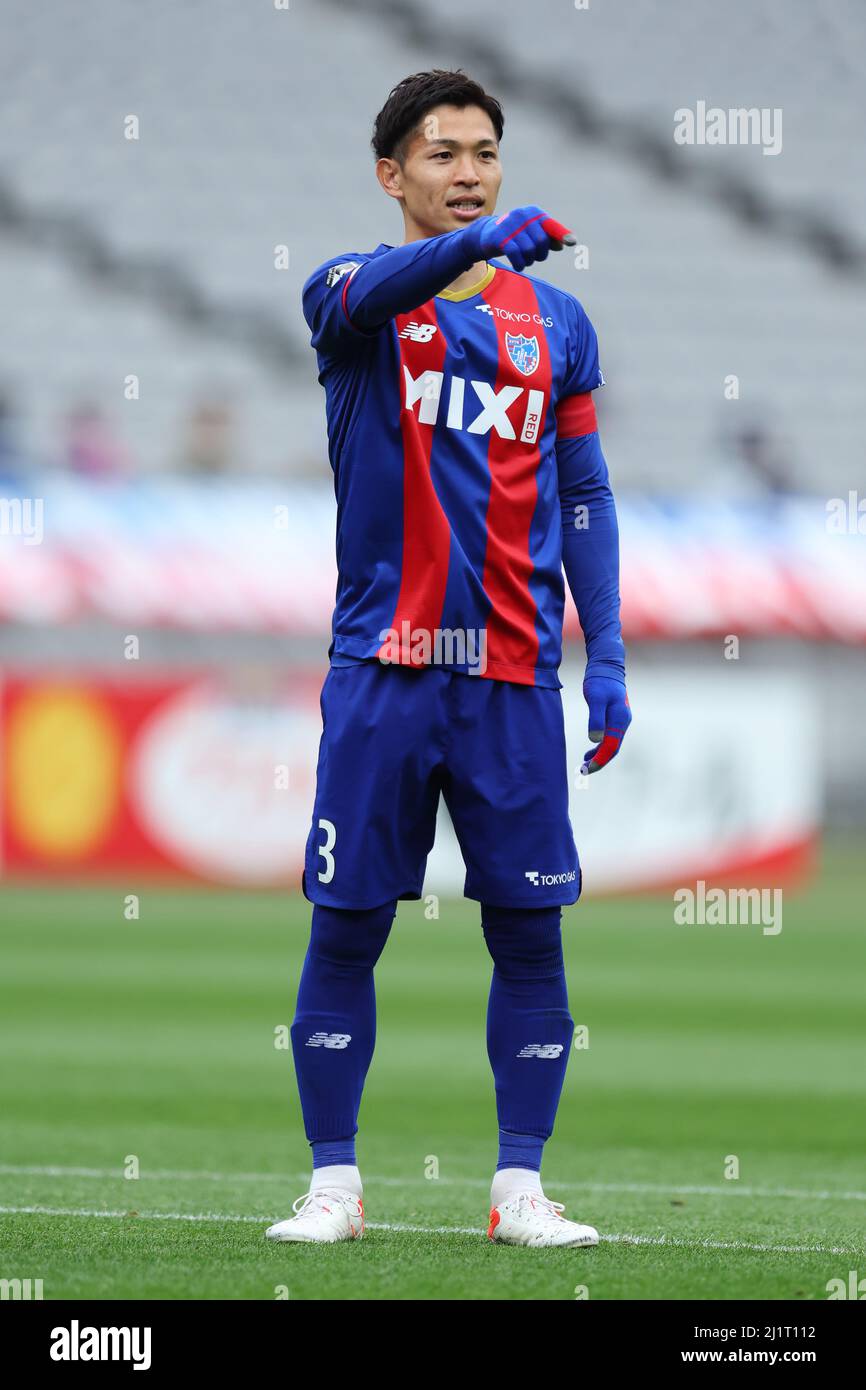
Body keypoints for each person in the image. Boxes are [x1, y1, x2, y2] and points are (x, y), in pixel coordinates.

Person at [266, 69, 631, 1249]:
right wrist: (481, 250)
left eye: (482, 152)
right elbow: (377, 289)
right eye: (439, 154)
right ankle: (333, 1185)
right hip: (384, 664)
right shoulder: (347, 294)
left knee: (528, 934)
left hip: (514, 676)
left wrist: (609, 652)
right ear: (391, 174)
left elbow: (580, 490)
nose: (466, 170)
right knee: (348, 924)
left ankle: (517, 1187)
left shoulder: (559, 326)